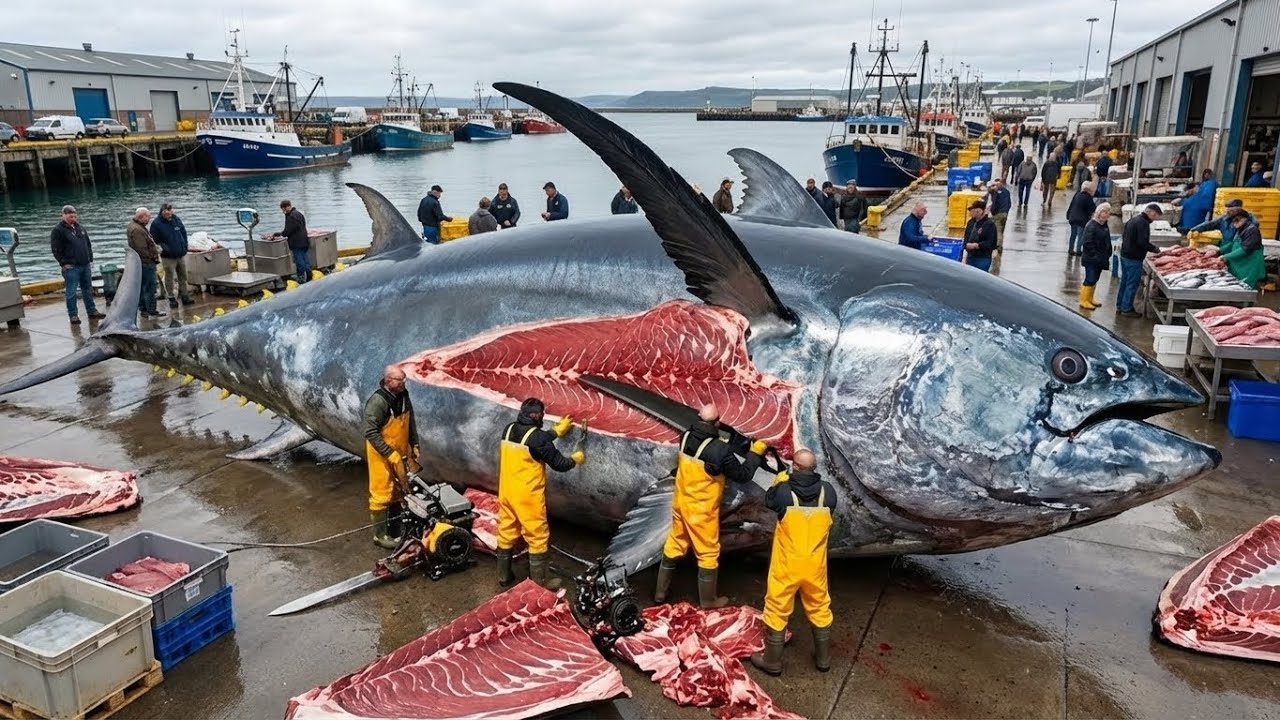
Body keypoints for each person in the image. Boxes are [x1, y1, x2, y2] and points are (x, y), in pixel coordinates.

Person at [655, 404, 766, 608]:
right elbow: (743, 475)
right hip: (701, 512)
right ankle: (708, 601)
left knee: (674, 544)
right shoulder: (720, 450)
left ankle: (660, 594)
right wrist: (755, 454)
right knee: (708, 554)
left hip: (681, 504)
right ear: (716, 422)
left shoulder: (686, 436)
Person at [749, 449, 838, 677]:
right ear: (813, 467)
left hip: (787, 565)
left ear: (795, 466)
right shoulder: (827, 492)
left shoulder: (784, 492)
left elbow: (769, 500)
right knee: (819, 606)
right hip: (815, 566)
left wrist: (778, 481)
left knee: (777, 608)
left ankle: (772, 662)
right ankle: (823, 660)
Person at [495, 398, 583, 589]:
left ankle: (503, 576)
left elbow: (535, 441)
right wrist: (575, 459)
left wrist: (556, 432)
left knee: (506, 531)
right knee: (537, 537)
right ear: (539, 416)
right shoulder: (538, 438)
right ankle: (539, 584)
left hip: (507, 492)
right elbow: (560, 464)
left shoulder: (509, 429)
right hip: (527, 497)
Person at [363, 366, 420, 549]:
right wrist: (389, 453)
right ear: (388, 381)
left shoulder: (404, 396)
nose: (403, 383)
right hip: (381, 453)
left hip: (400, 451)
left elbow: (410, 421)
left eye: (404, 380)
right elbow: (370, 432)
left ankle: (395, 530)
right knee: (381, 493)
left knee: (398, 492)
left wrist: (415, 444)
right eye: (399, 380)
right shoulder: (378, 402)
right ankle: (380, 535)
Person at [50, 206, 106, 325]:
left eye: (75, 216)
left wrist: (90, 258)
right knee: (71, 291)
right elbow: (55, 249)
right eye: (70, 216)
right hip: (71, 267)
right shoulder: (58, 230)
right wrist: (63, 263)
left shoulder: (80, 227)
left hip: (85, 264)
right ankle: (73, 315)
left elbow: (88, 243)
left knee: (87, 289)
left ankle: (92, 311)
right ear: (63, 215)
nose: (73, 218)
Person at [1117, 204, 1164, 317]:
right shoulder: (1143, 223)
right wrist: (1154, 249)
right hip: (1134, 258)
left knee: (1125, 282)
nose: (1155, 218)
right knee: (1132, 284)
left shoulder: (1134, 220)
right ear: (1151, 213)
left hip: (1125, 255)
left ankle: (1120, 305)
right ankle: (1126, 308)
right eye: (1155, 216)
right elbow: (1142, 242)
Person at [150, 202, 194, 309]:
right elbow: (154, 240)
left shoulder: (176, 220)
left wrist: (185, 246)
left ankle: (184, 295)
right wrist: (165, 249)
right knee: (169, 277)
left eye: (169, 210)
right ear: (162, 211)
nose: (168, 212)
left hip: (180, 254)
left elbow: (183, 233)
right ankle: (171, 298)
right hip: (167, 257)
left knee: (183, 276)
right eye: (165, 210)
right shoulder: (156, 224)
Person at [125, 207, 164, 318]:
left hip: (141, 263)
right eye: (148, 217)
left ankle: (144, 309)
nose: (149, 219)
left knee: (142, 287)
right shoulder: (137, 230)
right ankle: (151, 310)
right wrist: (153, 257)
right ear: (142, 217)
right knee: (149, 287)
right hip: (146, 263)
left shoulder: (136, 226)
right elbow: (141, 249)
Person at [1079, 203, 1114, 310]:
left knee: (1095, 279)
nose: (1107, 214)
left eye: (1108, 212)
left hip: (1101, 258)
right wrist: (1094, 255)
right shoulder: (1091, 225)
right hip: (1091, 259)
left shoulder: (1104, 225)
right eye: (1104, 212)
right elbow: (1087, 242)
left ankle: (1090, 298)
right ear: (1099, 213)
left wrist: (1108, 253)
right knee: (1089, 279)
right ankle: (1083, 300)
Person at [1220, 213, 1266, 288]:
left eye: (1237, 221)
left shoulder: (1252, 230)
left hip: (1249, 265)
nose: (1234, 224)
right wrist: (1219, 250)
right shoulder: (1241, 228)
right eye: (1233, 222)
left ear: (1245, 219)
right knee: (1237, 285)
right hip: (1241, 265)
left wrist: (1226, 256)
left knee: (1247, 286)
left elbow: (1245, 249)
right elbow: (1234, 243)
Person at [272, 200, 310, 284]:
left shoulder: (291, 216)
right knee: (305, 259)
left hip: (296, 242)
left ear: (286, 207)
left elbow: (287, 231)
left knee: (299, 260)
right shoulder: (299, 214)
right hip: (304, 240)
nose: (283, 211)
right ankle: (309, 275)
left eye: (283, 209)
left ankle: (301, 278)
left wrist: (278, 234)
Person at [962, 200, 997, 272]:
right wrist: (966, 245)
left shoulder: (989, 224)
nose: (971, 213)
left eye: (973, 210)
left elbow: (991, 243)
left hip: (982, 258)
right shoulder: (971, 223)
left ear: (979, 211)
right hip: (970, 257)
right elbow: (966, 237)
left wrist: (976, 245)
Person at [1066, 182, 1097, 256]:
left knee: (1073, 235)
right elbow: (1092, 208)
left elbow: (1071, 205)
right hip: (1081, 219)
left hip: (1073, 218)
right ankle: (1078, 251)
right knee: (1080, 236)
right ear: (1088, 189)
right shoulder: (1088, 197)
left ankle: (1070, 249)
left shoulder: (1077, 194)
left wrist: (1068, 215)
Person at [985, 179, 1012, 247]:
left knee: (998, 231)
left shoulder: (995, 193)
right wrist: (1006, 212)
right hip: (1005, 214)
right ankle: (1000, 243)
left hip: (998, 214)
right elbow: (1009, 204)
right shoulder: (1007, 192)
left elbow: (994, 205)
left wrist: (992, 213)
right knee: (1002, 230)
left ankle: (998, 245)